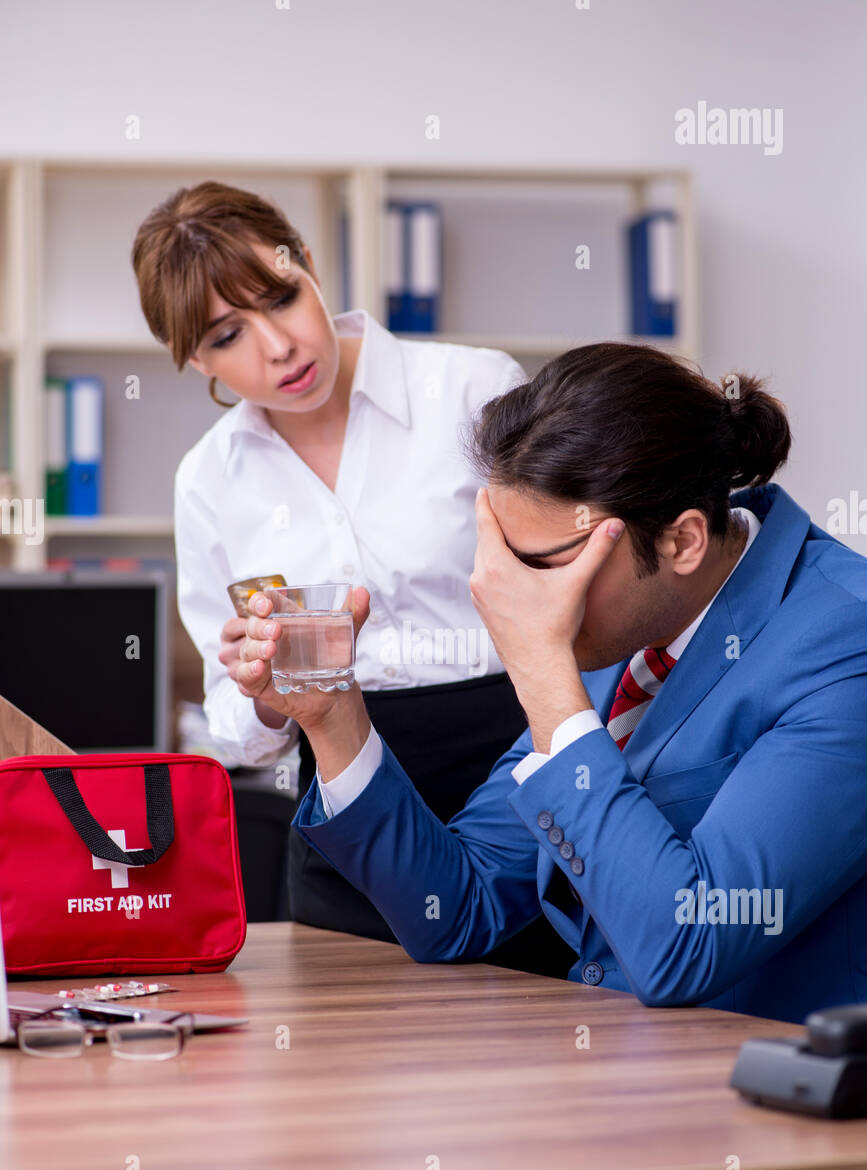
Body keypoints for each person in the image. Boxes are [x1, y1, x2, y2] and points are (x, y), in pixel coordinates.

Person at [235, 342, 867, 1026]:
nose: (502, 594)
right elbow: (454, 912)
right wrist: (334, 720)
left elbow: (685, 946)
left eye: (541, 564)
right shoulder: (614, 619)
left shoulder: (842, 643)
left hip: (771, 1096)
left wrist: (544, 676)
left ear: (680, 541)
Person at [131, 179, 575, 976]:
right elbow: (232, 721)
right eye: (228, 335)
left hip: (513, 762)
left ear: (308, 266)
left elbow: (572, 583)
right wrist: (263, 689)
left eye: (279, 297)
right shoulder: (209, 479)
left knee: (533, 1046)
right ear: (195, 358)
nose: (277, 346)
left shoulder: (472, 390)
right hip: (346, 781)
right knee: (344, 1069)